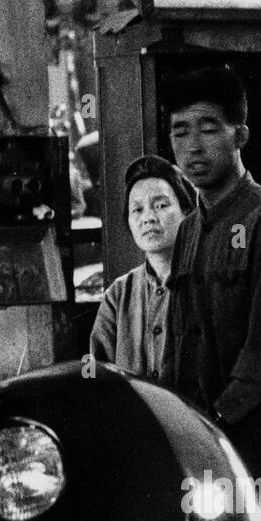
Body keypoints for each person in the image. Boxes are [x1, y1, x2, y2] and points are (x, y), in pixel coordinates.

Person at [158, 66, 261, 493]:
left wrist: (215, 422)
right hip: (198, 447)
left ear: (240, 136)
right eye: (180, 132)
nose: (192, 146)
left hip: (255, 451)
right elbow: (176, 345)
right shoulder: (190, 229)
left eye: (208, 129)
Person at [89, 155, 194, 376]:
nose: (148, 218)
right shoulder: (117, 295)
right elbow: (96, 377)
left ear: (187, 212)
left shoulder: (210, 285)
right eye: (137, 210)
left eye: (161, 205)